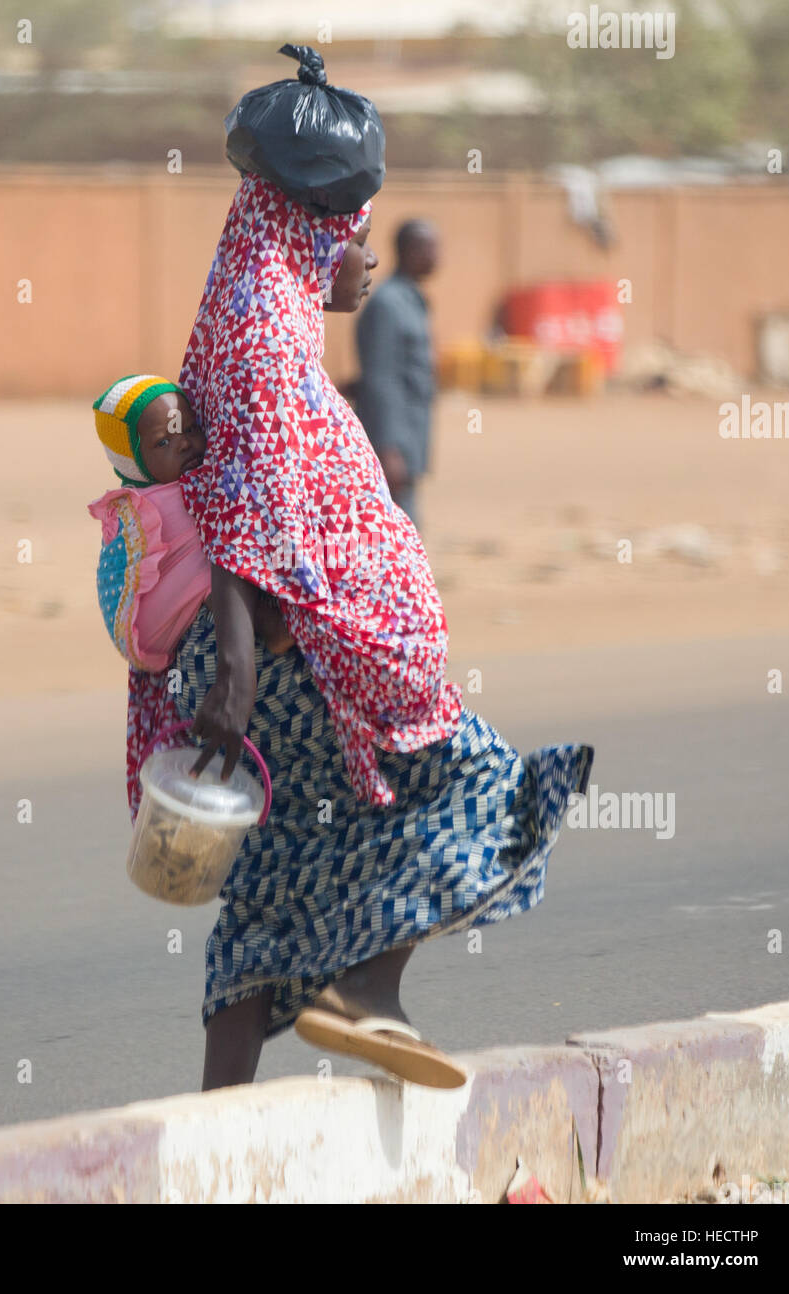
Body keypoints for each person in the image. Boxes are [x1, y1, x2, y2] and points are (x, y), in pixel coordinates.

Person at [122, 168, 593, 1094]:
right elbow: (244, 515)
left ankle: (222, 1120)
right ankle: (365, 994)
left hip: (265, 662)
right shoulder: (262, 334)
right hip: (283, 664)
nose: (366, 259)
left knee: (273, 870)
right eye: (351, 239)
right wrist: (242, 672)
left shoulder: (255, 323)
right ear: (306, 246)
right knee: (474, 783)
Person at [87, 374, 295, 672]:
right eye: (163, 441)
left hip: (144, 623)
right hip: (145, 622)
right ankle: (272, 627)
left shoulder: (154, 494)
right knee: (219, 552)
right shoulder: (160, 503)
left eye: (190, 428)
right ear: (132, 460)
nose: (184, 443)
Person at [353, 219, 440, 529]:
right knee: (400, 529)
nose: (435, 256)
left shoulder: (412, 300)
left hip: (411, 437)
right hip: (394, 445)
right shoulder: (389, 305)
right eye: (428, 248)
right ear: (408, 251)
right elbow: (381, 379)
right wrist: (389, 448)